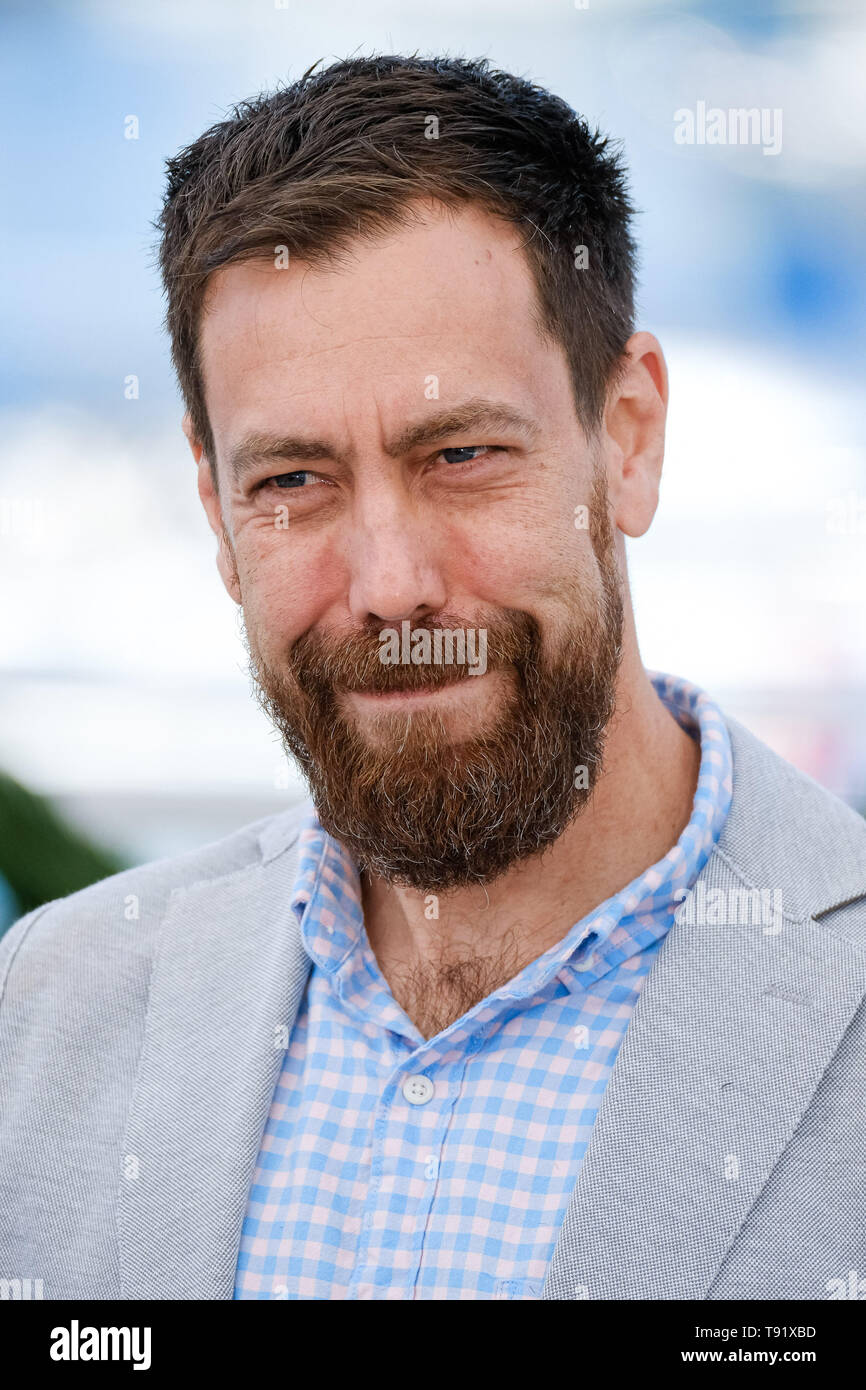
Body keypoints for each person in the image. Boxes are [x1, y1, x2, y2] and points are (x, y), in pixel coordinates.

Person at [2, 55, 865, 1302]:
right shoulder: (51, 1012)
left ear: (626, 439)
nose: (389, 585)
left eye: (460, 454)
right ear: (215, 507)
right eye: (291, 480)